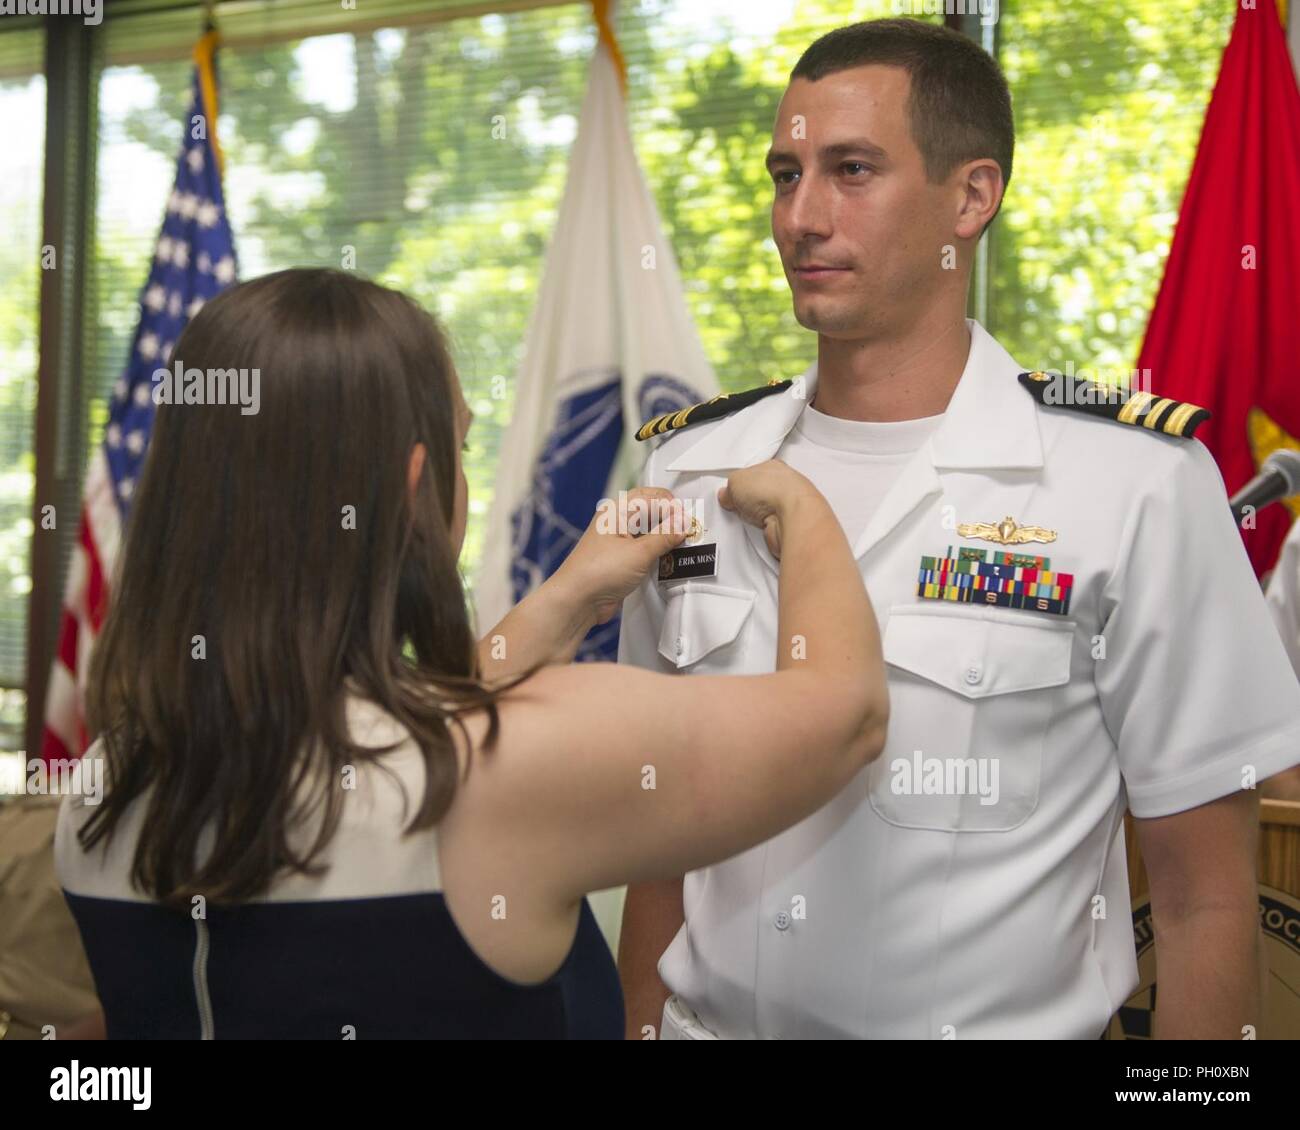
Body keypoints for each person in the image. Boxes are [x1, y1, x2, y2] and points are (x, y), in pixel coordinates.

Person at [617, 18, 1300, 1040]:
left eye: (851, 170)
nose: (799, 216)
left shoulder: (1129, 484)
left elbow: (1205, 900)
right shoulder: (688, 470)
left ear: (970, 197)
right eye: (783, 173)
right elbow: (658, 835)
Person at [53, 267, 888, 1040]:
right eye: (458, 445)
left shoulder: (106, 785)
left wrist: (563, 601)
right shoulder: (497, 771)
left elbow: (373, 736)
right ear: (417, 485)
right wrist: (801, 502)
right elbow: (844, 716)